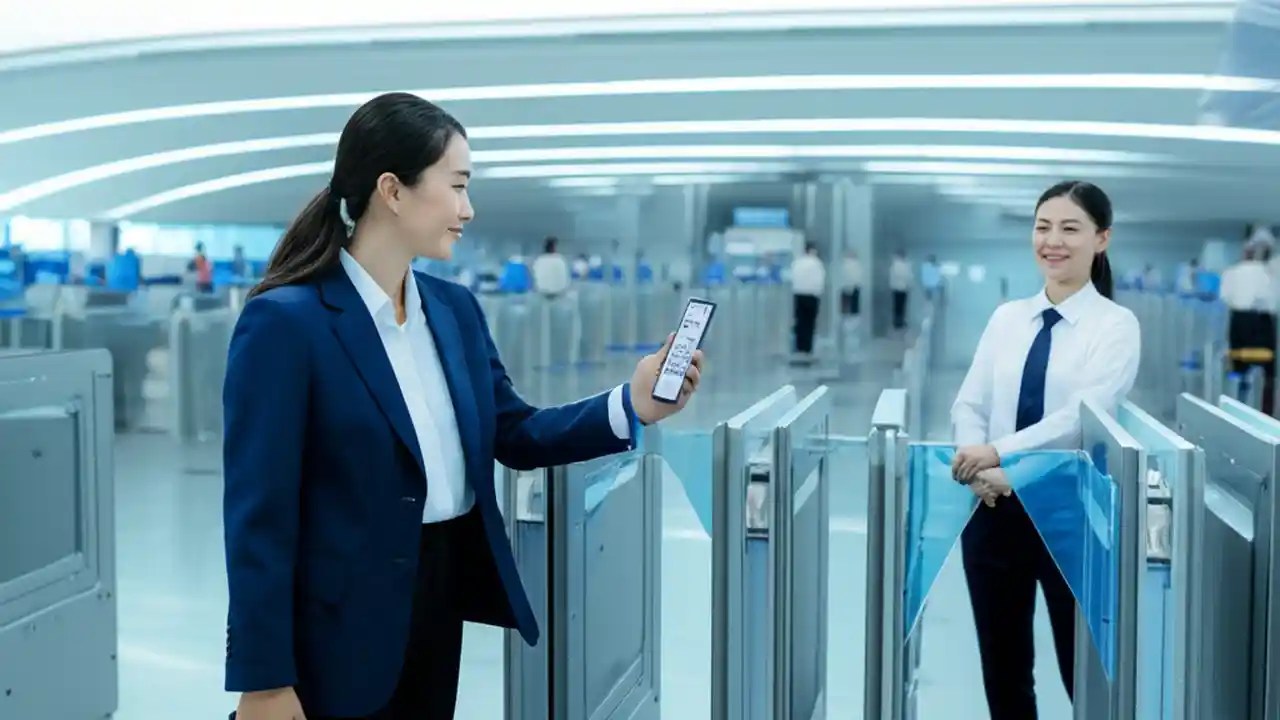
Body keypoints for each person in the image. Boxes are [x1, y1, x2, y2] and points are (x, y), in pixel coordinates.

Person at [222, 93, 706, 720]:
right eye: (456, 186)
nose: (467, 209)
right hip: (335, 630)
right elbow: (258, 516)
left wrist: (631, 403)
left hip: (436, 606)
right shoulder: (287, 324)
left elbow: (516, 432)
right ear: (392, 191)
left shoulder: (452, 312)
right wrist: (263, 680)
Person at [948, 180, 1140, 719]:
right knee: (1004, 675)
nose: (1052, 241)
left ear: (1101, 239)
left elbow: (1082, 416)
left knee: (1085, 677)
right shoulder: (1007, 318)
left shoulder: (1115, 326)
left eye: (1070, 229)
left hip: (1070, 516)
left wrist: (1000, 455)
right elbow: (970, 401)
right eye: (1043, 226)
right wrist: (973, 459)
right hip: (991, 510)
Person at [1220, 238, 1277, 414]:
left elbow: (1225, 297)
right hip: (1262, 323)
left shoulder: (1232, 272)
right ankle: (1265, 413)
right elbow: (1273, 303)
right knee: (1267, 373)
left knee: (1238, 369)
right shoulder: (1269, 274)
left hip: (1239, 322)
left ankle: (1235, 408)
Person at [789, 242, 825, 361]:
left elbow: (792, 277)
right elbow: (820, 280)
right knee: (810, 323)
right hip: (812, 295)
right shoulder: (816, 263)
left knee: (800, 322)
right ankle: (808, 348)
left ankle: (799, 347)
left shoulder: (797, 262)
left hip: (798, 294)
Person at [889, 250, 911, 329]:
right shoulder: (905, 265)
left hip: (897, 289)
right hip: (902, 288)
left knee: (897, 306)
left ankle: (898, 322)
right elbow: (908, 277)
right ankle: (900, 322)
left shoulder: (894, 265)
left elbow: (892, 278)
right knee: (901, 306)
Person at [840, 249, 862, 317]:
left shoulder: (844, 264)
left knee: (847, 306)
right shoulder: (855, 265)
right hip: (852, 286)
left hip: (847, 287)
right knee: (853, 307)